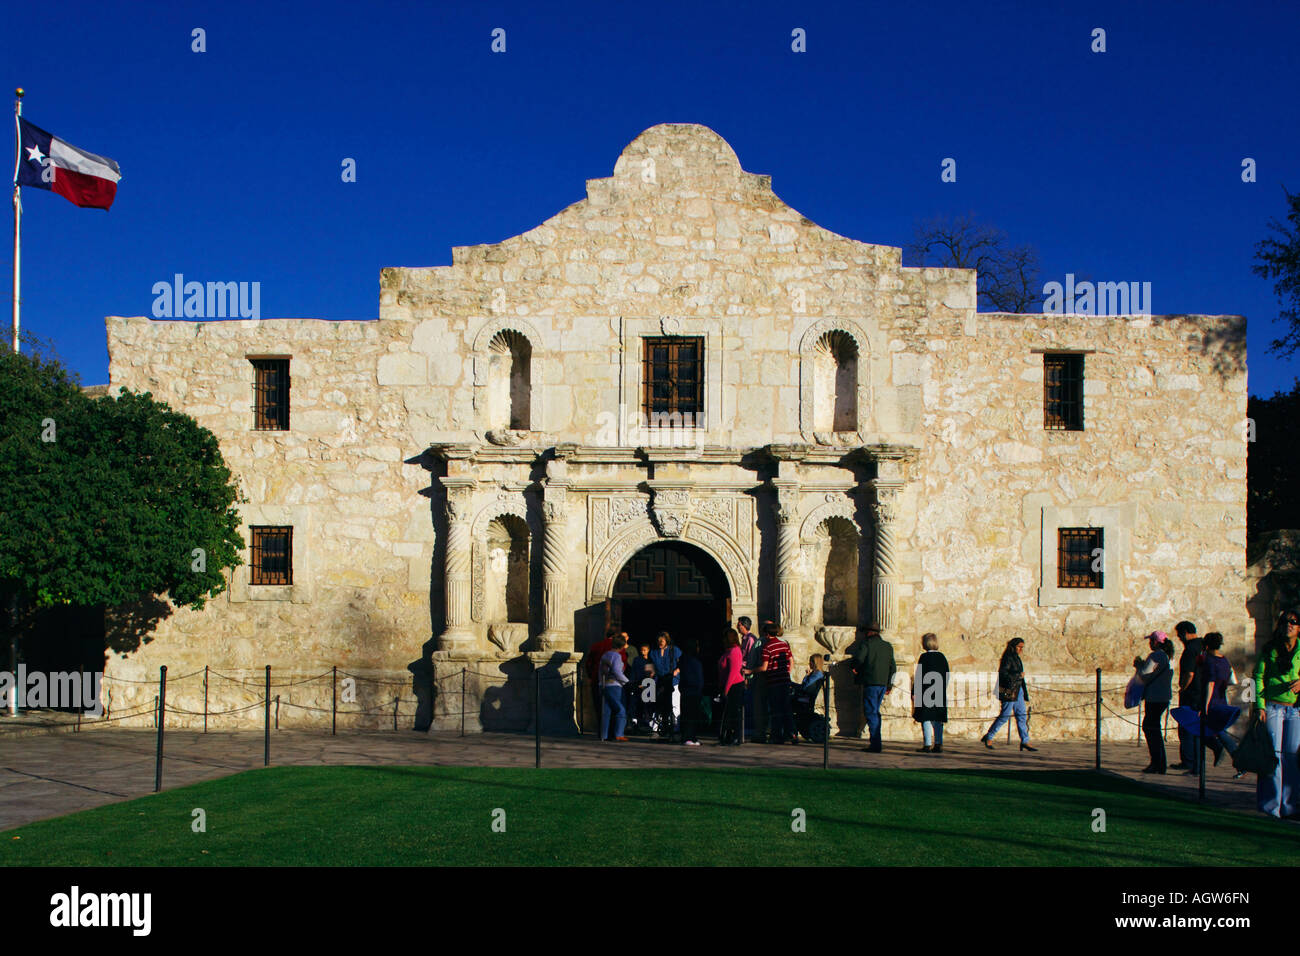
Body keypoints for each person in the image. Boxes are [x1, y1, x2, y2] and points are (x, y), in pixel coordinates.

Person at [1253, 610, 1300, 818]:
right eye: (1285, 622)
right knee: (1273, 756)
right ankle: (1270, 806)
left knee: (1291, 756)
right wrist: (1260, 706)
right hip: (1272, 707)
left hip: (1295, 710)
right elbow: (1258, 676)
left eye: (1293, 622)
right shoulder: (1270, 649)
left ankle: (1290, 805)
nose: (1288, 625)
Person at [981, 638, 1037, 752]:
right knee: (1005, 715)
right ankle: (989, 736)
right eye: (1019, 647)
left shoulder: (1016, 658)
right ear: (1013, 646)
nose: (1021, 649)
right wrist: (1018, 675)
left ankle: (1025, 740)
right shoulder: (1007, 658)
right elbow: (1003, 674)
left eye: (1022, 647)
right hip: (1009, 690)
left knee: (1021, 715)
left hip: (1018, 689)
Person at [1131, 631, 1174, 773]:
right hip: (1164, 697)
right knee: (1154, 728)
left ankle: (1157, 763)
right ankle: (1159, 763)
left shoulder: (1156, 656)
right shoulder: (1169, 657)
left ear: (1156, 642)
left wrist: (1138, 665)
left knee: (1150, 728)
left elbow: (1144, 674)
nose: (1150, 644)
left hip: (1154, 697)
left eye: (1151, 641)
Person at [850, 625, 895, 753]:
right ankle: (876, 741)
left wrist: (854, 667)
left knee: (871, 712)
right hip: (882, 684)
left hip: (871, 683)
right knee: (875, 712)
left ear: (868, 633)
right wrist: (889, 685)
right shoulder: (888, 646)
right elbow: (893, 667)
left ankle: (875, 743)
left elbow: (859, 659)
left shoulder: (867, 644)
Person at [1197, 631, 1238, 770]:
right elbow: (1231, 679)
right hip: (1222, 699)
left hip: (1213, 701)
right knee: (1218, 730)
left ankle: (1235, 756)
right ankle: (1234, 757)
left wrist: (1205, 706)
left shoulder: (1210, 661)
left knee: (1209, 730)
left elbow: (1210, 684)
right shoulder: (1224, 660)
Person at [1172, 621, 1203, 771]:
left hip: (1191, 694)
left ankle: (1189, 761)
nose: (1179, 638)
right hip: (1202, 693)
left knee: (1186, 729)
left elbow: (1189, 673)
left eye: (1180, 635)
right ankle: (1196, 763)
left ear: (1185, 633)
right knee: (1197, 730)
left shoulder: (1190, 650)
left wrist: (1183, 688)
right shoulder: (1204, 646)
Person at [912, 632, 949, 754]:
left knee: (926, 718)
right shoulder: (942, 657)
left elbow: (919, 676)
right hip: (939, 690)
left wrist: (914, 692)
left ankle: (927, 744)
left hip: (926, 691)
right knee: (937, 719)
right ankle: (938, 743)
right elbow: (946, 675)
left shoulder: (924, 657)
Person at [759, 623, 795, 744]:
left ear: (767, 634)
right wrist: (786, 672)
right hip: (784, 680)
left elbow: (764, 667)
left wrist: (750, 670)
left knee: (776, 710)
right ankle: (792, 733)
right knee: (786, 708)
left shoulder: (767, 647)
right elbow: (791, 660)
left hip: (773, 682)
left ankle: (776, 735)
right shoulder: (784, 644)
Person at [586, 627, 622, 734]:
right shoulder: (617, 648)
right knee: (615, 707)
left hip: (597, 679)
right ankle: (613, 732)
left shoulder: (595, 646)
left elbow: (589, 663)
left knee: (600, 707)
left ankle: (602, 732)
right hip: (614, 682)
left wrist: (591, 676)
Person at [649, 631, 682, 739]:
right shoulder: (654, 652)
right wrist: (650, 673)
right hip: (659, 681)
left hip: (673, 681)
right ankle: (656, 727)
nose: (660, 643)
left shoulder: (674, 650)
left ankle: (675, 727)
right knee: (658, 705)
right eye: (658, 641)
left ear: (666, 640)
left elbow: (681, 663)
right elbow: (650, 666)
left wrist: (676, 671)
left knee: (675, 705)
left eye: (662, 641)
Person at [599, 634, 630, 742]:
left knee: (606, 711)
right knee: (620, 710)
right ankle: (619, 733)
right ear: (622, 646)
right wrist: (627, 682)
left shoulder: (605, 655)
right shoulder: (616, 656)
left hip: (604, 684)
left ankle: (604, 734)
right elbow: (617, 671)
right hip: (614, 685)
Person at [738, 617, 764, 741]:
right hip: (744, 672)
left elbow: (750, 658)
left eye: (739, 625)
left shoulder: (751, 639)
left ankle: (749, 726)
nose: (737, 627)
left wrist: (748, 674)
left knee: (749, 699)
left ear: (743, 625)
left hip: (748, 674)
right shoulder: (745, 639)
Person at [718, 628, 745, 745]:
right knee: (728, 712)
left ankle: (735, 736)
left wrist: (726, 689)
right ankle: (727, 735)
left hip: (734, 686)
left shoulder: (735, 651)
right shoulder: (728, 651)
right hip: (727, 685)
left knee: (733, 712)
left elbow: (733, 672)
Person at [677, 636, 704, 746]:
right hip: (691, 690)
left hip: (690, 690)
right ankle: (687, 736)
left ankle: (692, 736)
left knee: (692, 715)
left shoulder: (686, 659)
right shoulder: (690, 660)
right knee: (689, 715)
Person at [625, 641, 655, 733]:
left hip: (649, 684)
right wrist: (633, 683)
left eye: (645, 650)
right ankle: (636, 722)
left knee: (648, 704)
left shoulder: (651, 660)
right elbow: (634, 672)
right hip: (638, 684)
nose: (643, 652)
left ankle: (648, 723)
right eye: (642, 650)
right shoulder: (637, 660)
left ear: (648, 650)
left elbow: (652, 673)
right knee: (637, 703)